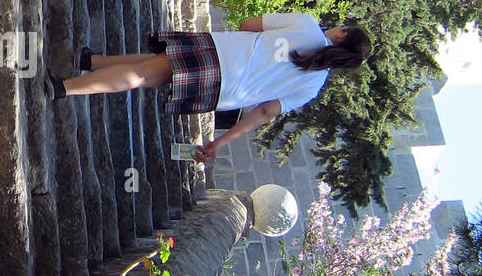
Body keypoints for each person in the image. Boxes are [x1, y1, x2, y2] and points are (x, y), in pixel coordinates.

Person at [44, 13, 372, 164]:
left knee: (146, 72)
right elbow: (262, 113)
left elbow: (247, 25)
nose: (338, 26)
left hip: (223, 53)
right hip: (221, 92)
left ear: (342, 35)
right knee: (158, 65)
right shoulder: (312, 87)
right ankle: (95, 62)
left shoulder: (306, 23)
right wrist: (218, 142)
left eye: (343, 27)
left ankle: (64, 88)